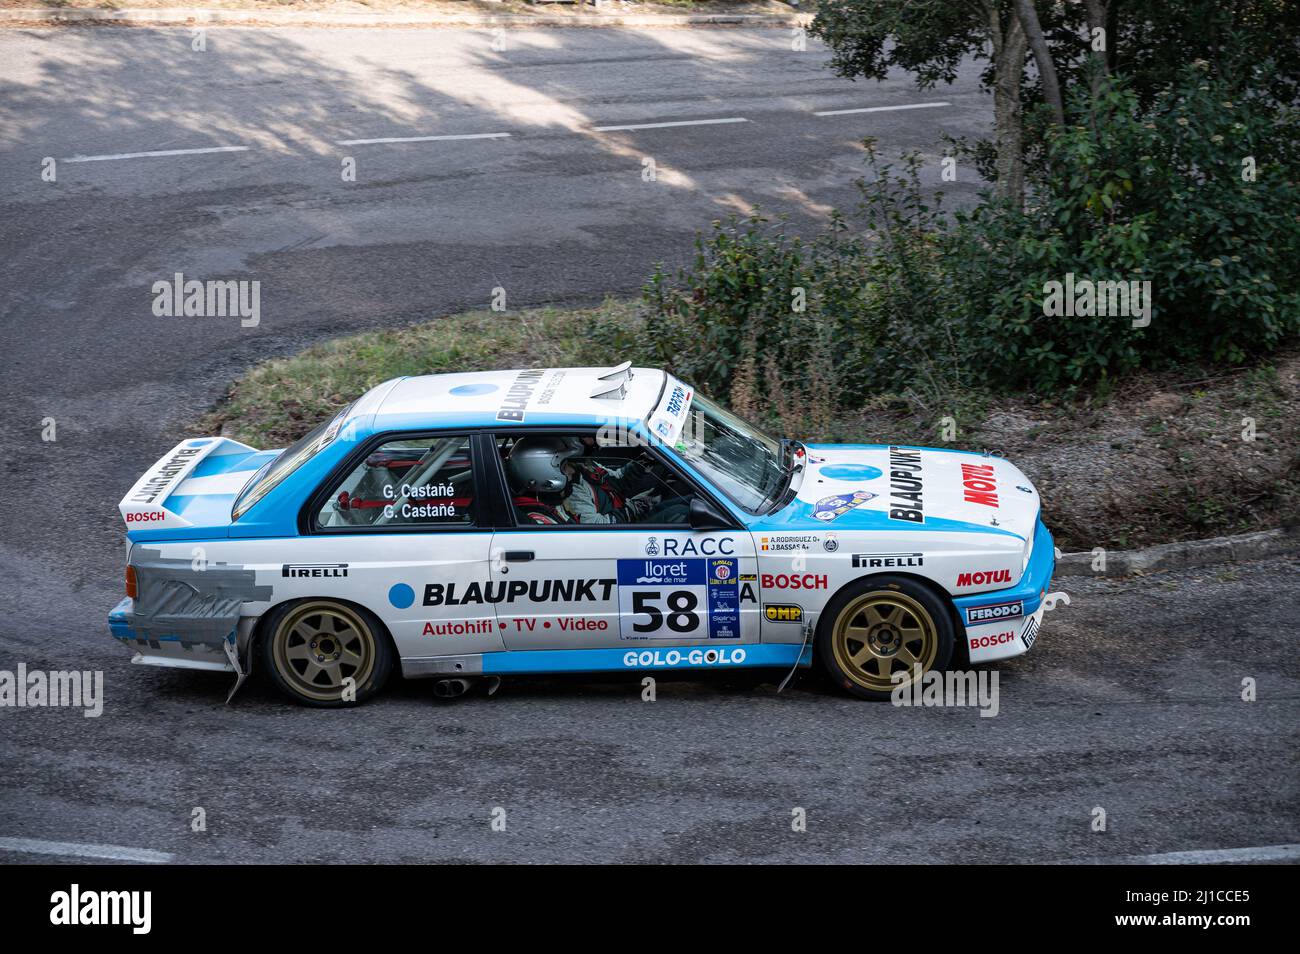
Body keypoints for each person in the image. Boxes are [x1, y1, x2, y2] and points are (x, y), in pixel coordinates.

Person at [505, 437, 580, 525]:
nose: (572, 471)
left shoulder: (551, 504)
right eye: (564, 467)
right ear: (542, 472)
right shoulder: (539, 521)